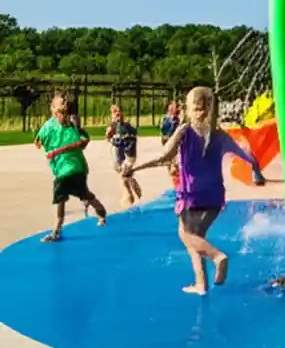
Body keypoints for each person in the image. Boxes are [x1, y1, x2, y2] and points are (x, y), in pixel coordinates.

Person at [124, 87, 265, 295]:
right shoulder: (220, 135)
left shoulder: (184, 131)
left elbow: (163, 156)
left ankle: (217, 256)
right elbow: (244, 154)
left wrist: (135, 167)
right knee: (196, 238)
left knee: (185, 234)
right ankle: (201, 284)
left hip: (192, 196)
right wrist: (256, 171)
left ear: (190, 108)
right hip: (215, 197)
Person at [34, 93, 108, 241]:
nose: (62, 114)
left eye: (64, 111)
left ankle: (56, 230)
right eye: (59, 111)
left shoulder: (72, 125)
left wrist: (64, 148)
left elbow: (85, 140)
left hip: (73, 167)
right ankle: (101, 211)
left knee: (59, 197)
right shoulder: (48, 127)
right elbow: (37, 142)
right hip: (66, 168)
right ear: (53, 110)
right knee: (83, 194)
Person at [106, 104, 143, 206]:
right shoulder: (113, 126)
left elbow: (131, 138)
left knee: (124, 176)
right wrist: (109, 136)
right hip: (119, 156)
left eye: (118, 112)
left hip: (128, 155)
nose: (117, 114)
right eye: (114, 112)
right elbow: (108, 138)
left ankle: (130, 197)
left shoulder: (128, 127)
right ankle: (133, 193)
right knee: (124, 177)